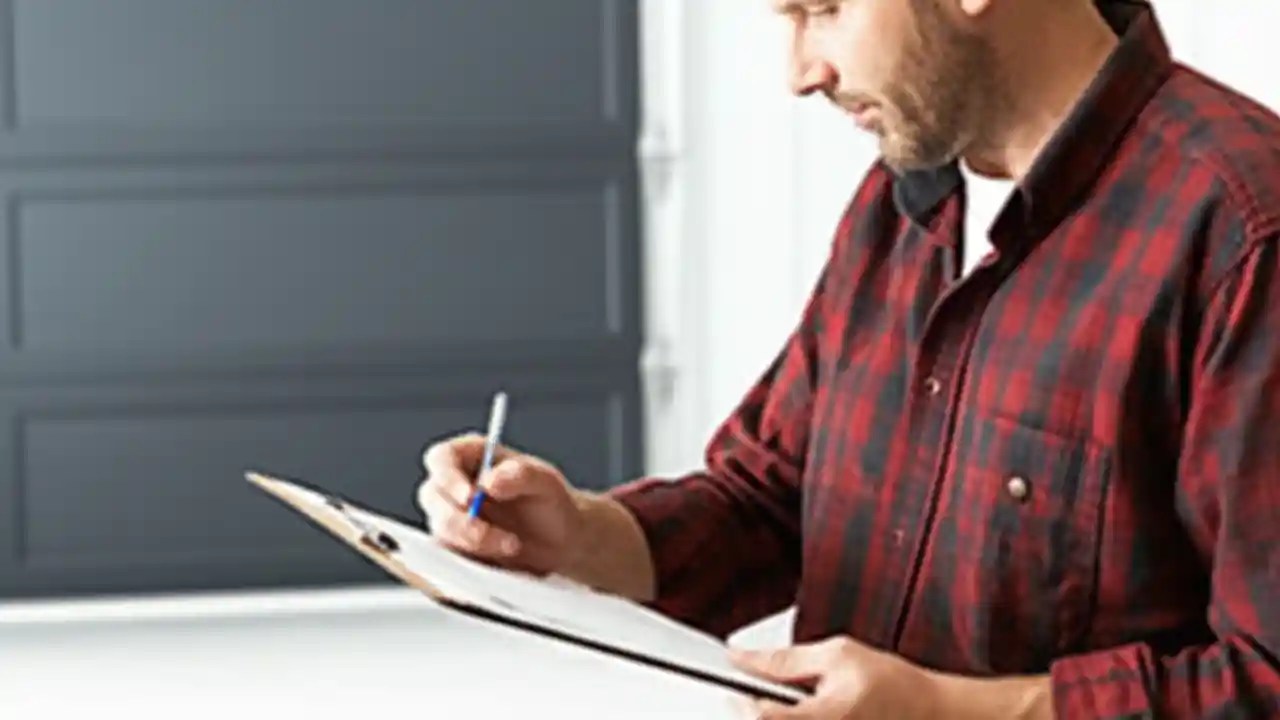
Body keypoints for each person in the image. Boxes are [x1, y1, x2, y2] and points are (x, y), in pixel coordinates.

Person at [416, 0, 1280, 717]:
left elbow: (1266, 678)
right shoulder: (899, 204)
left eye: (821, 10)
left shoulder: (1244, 231)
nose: (799, 74)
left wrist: (951, 713)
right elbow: (771, 502)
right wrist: (580, 535)